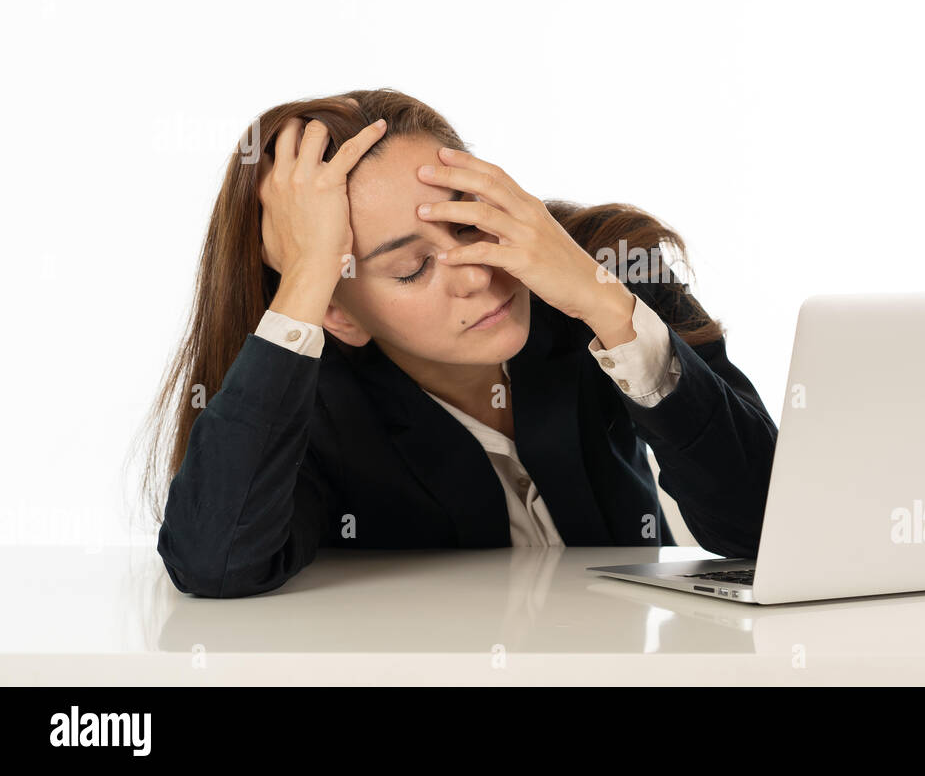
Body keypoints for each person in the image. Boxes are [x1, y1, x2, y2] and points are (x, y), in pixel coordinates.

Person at [140, 88, 777, 598]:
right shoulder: (306, 400)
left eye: (471, 222)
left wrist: (604, 302)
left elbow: (768, 529)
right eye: (412, 268)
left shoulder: (612, 266)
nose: (475, 275)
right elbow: (217, 565)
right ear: (337, 313)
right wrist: (306, 278)